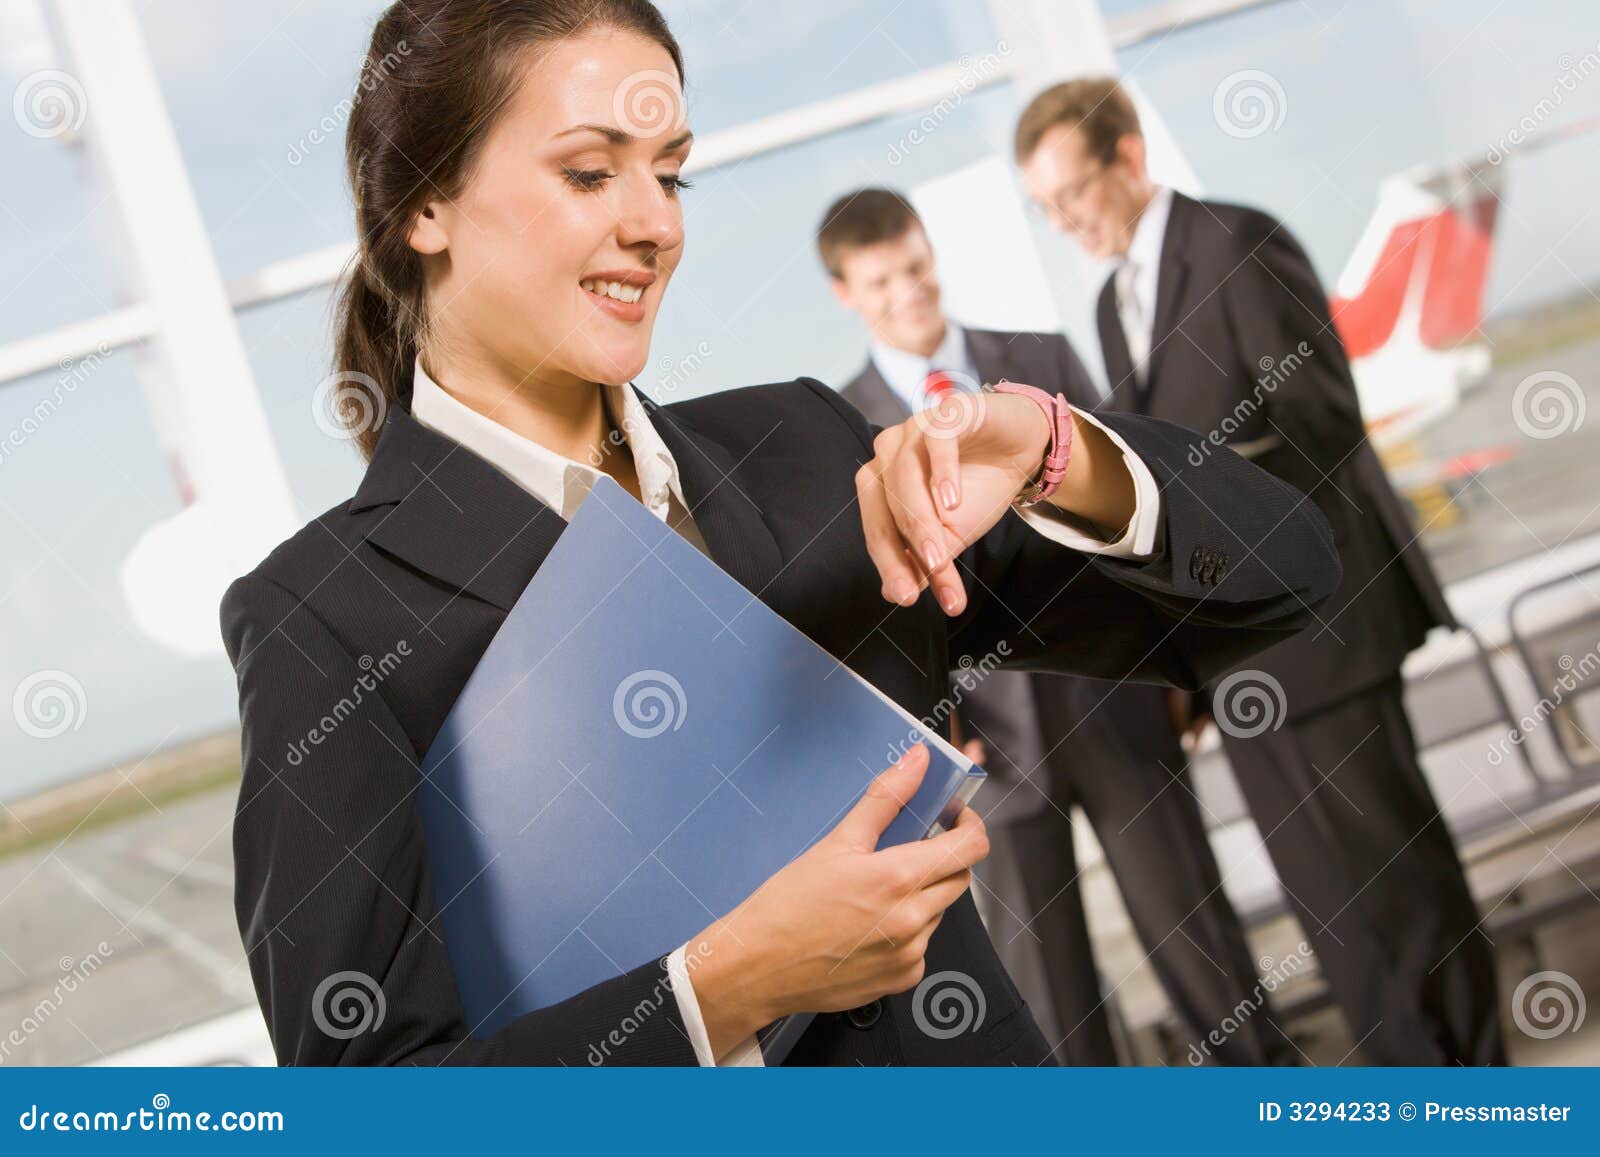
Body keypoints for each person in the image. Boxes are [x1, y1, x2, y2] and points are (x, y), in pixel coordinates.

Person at [220, 1, 1339, 1068]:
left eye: (670, 173)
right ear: (426, 202)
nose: (655, 222)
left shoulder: (805, 453)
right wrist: (723, 986)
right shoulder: (326, 617)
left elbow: (1286, 576)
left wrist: (1056, 451)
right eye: (590, 171)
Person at [1014, 76, 1503, 1066]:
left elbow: (1321, 420)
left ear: (1130, 160)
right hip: (1239, 664)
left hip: (1322, 631)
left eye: (1072, 193)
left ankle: (1482, 1086)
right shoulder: (1113, 308)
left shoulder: (1238, 242)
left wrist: (1192, 486)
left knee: (1400, 886)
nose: (1064, 222)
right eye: (1045, 208)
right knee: (1333, 914)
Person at [819, 187, 1296, 1066]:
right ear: (846, 292)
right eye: (882, 282)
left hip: (1119, 703)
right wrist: (935, 736)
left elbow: (1144, 515)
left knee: (1209, 963)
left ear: (934, 253)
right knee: (1051, 1008)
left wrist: (1181, 668)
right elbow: (883, 599)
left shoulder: (1038, 358)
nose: (909, 292)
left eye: (917, 267)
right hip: (987, 750)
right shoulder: (845, 421)